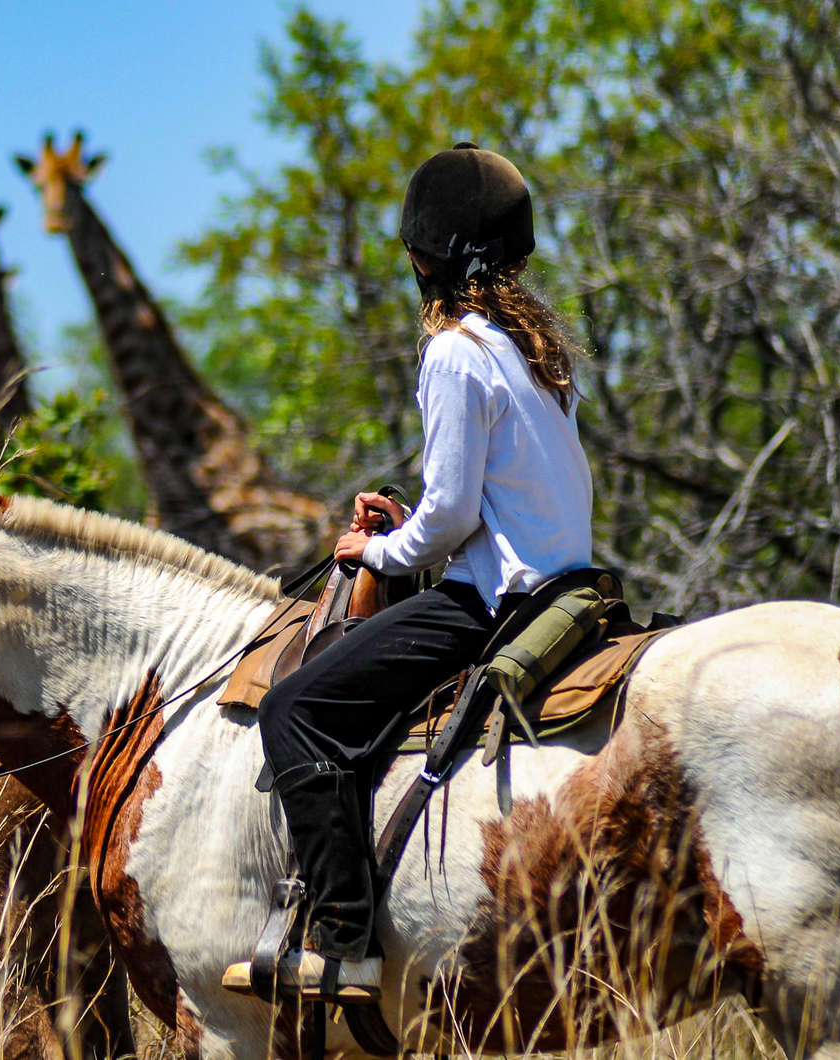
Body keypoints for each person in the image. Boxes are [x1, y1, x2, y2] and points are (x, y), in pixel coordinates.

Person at [232, 142, 593, 1002]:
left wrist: (374, 552)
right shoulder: (535, 352)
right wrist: (413, 528)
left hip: (493, 607)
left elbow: (457, 516)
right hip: (565, 587)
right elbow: (489, 506)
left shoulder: (455, 352)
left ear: (434, 258)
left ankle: (343, 938)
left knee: (296, 710)